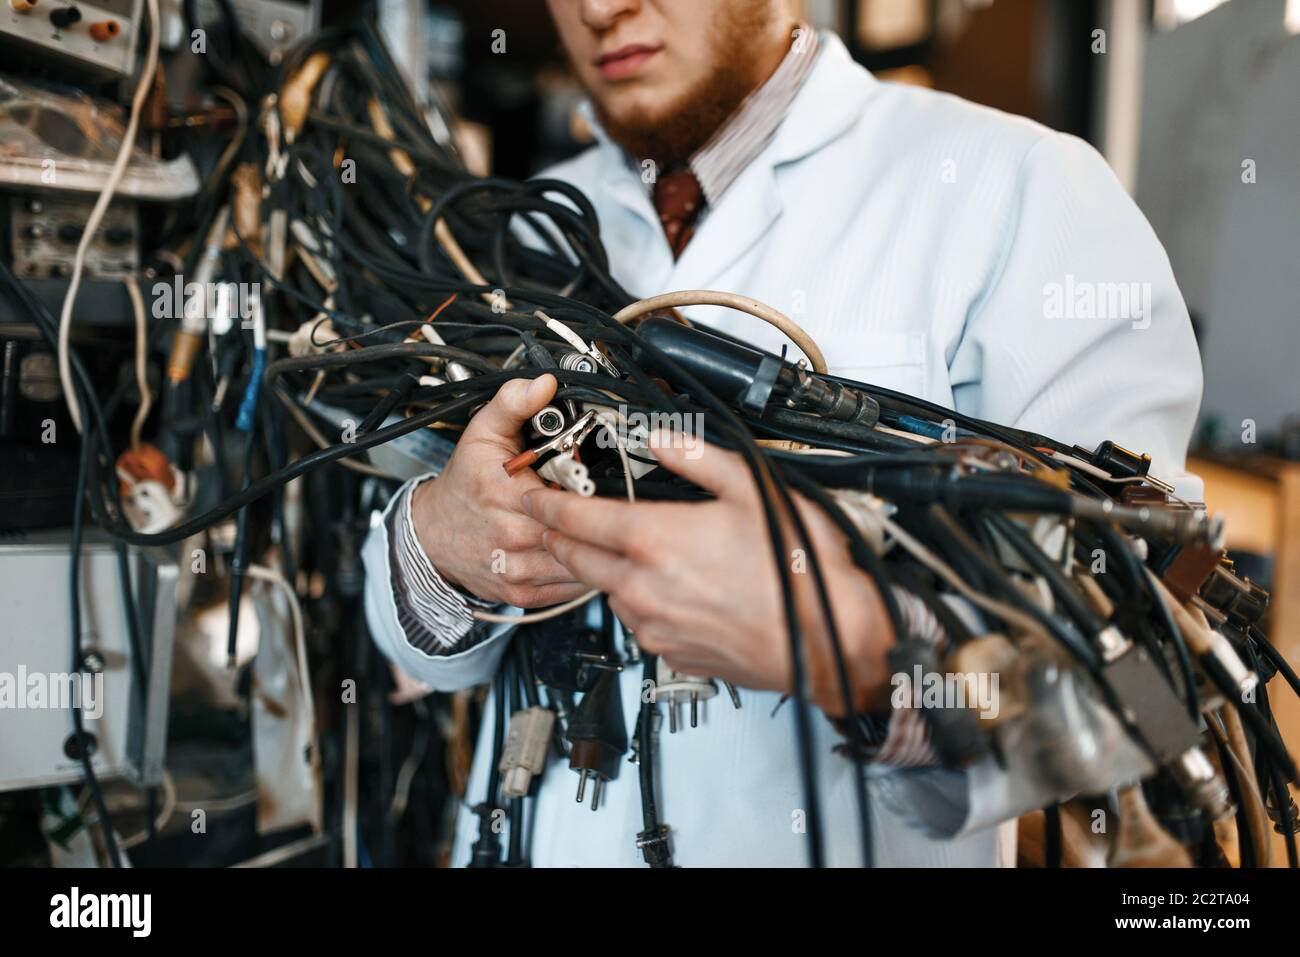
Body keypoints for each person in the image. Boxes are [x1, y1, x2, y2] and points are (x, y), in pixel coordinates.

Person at [362, 0, 1203, 866]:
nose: (600, 9)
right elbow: (413, 649)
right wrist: (441, 545)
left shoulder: (1020, 190)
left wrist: (859, 647)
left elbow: (1141, 661)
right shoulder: (519, 222)